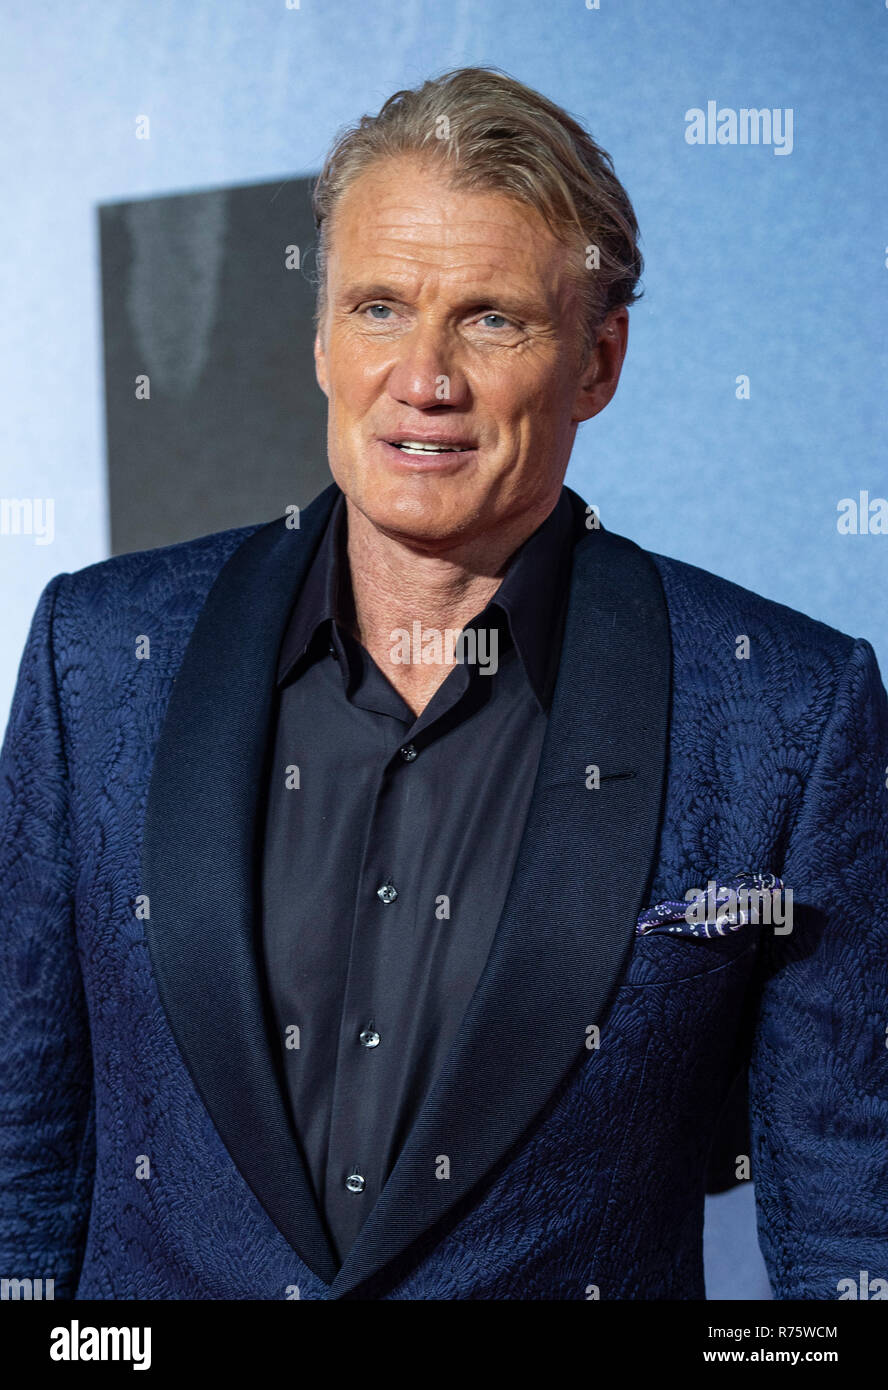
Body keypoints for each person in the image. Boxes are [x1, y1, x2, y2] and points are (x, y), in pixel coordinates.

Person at [1, 66, 886, 1301]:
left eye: (491, 319)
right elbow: (19, 1162)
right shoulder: (94, 661)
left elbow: (851, 1235)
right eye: (378, 308)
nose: (425, 378)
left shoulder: (788, 712)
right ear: (320, 338)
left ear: (599, 361)